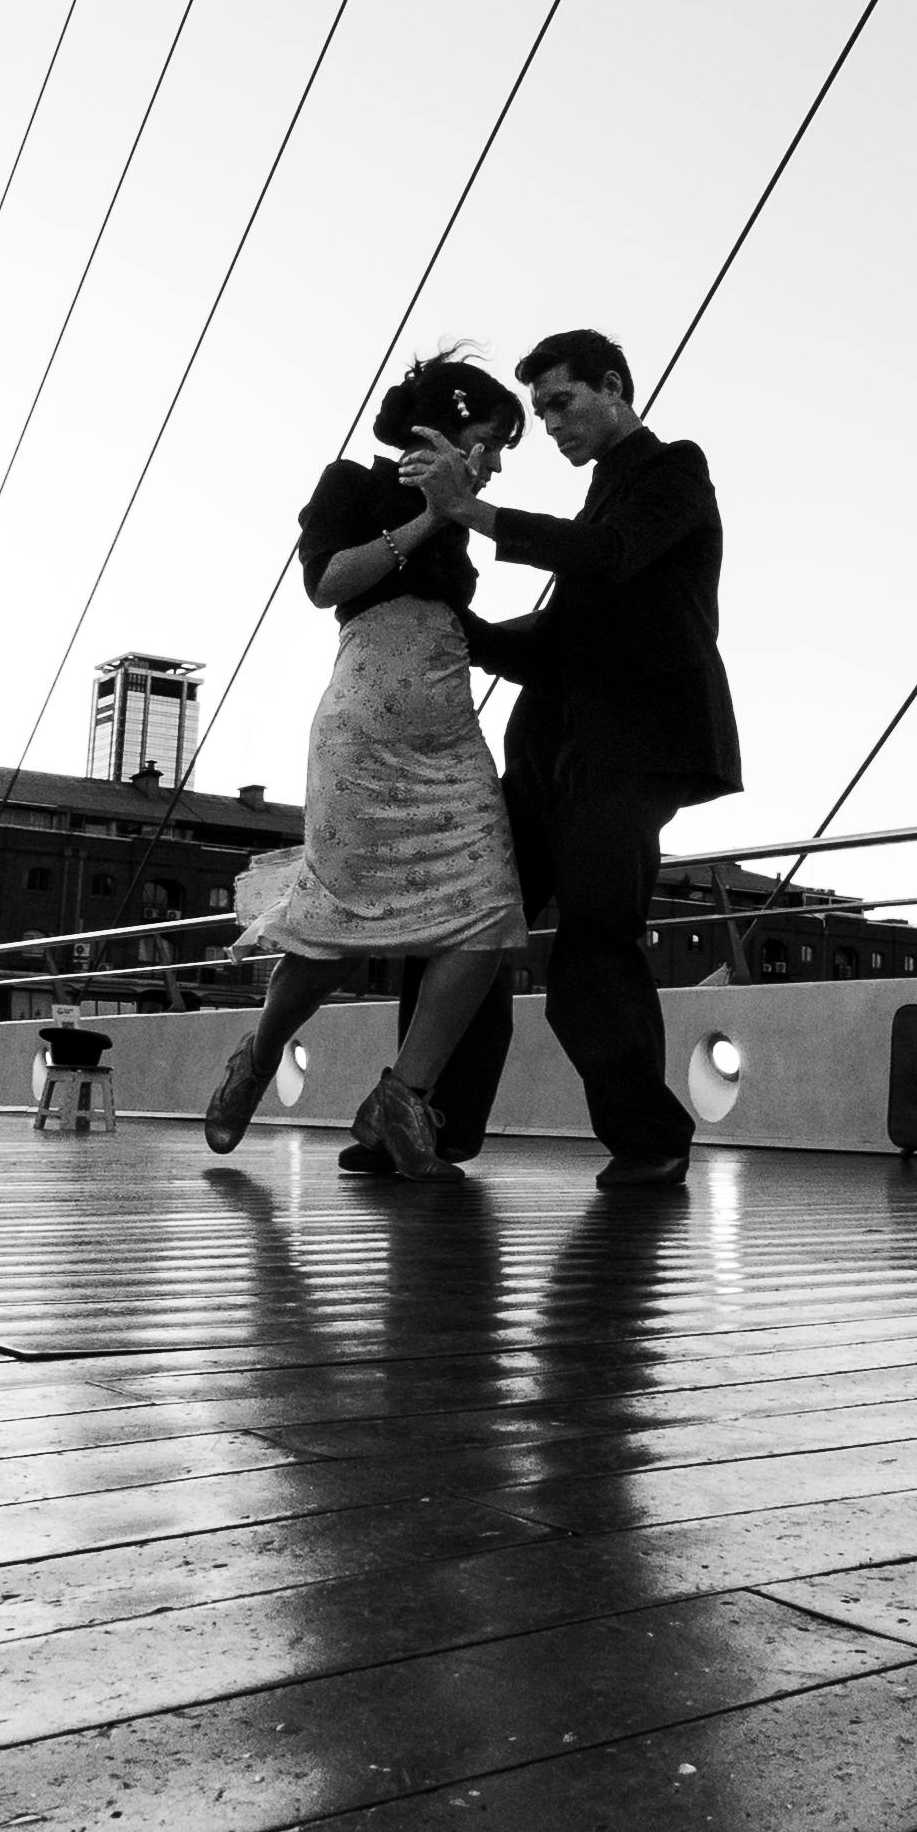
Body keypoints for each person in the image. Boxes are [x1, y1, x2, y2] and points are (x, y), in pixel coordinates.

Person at [401, 325, 740, 1193]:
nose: (550, 424)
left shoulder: (673, 470)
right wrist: (452, 625)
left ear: (613, 386)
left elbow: (610, 554)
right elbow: (558, 640)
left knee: (592, 947)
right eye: (542, 408)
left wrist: (471, 511)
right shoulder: (600, 501)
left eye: (561, 401)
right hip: (551, 754)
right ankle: (421, 1125)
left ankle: (649, 1140)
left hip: (625, 755)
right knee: (457, 923)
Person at [202, 355, 530, 1176]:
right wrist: (428, 518)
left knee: (489, 909)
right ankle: (258, 1055)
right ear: (446, 426)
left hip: (449, 735)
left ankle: (401, 1095)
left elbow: (453, 620)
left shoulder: (463, 515)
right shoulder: (351, 482)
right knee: (337, 933)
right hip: (362, 738)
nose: (493, 463)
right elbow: (326, 583)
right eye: (489, 441)